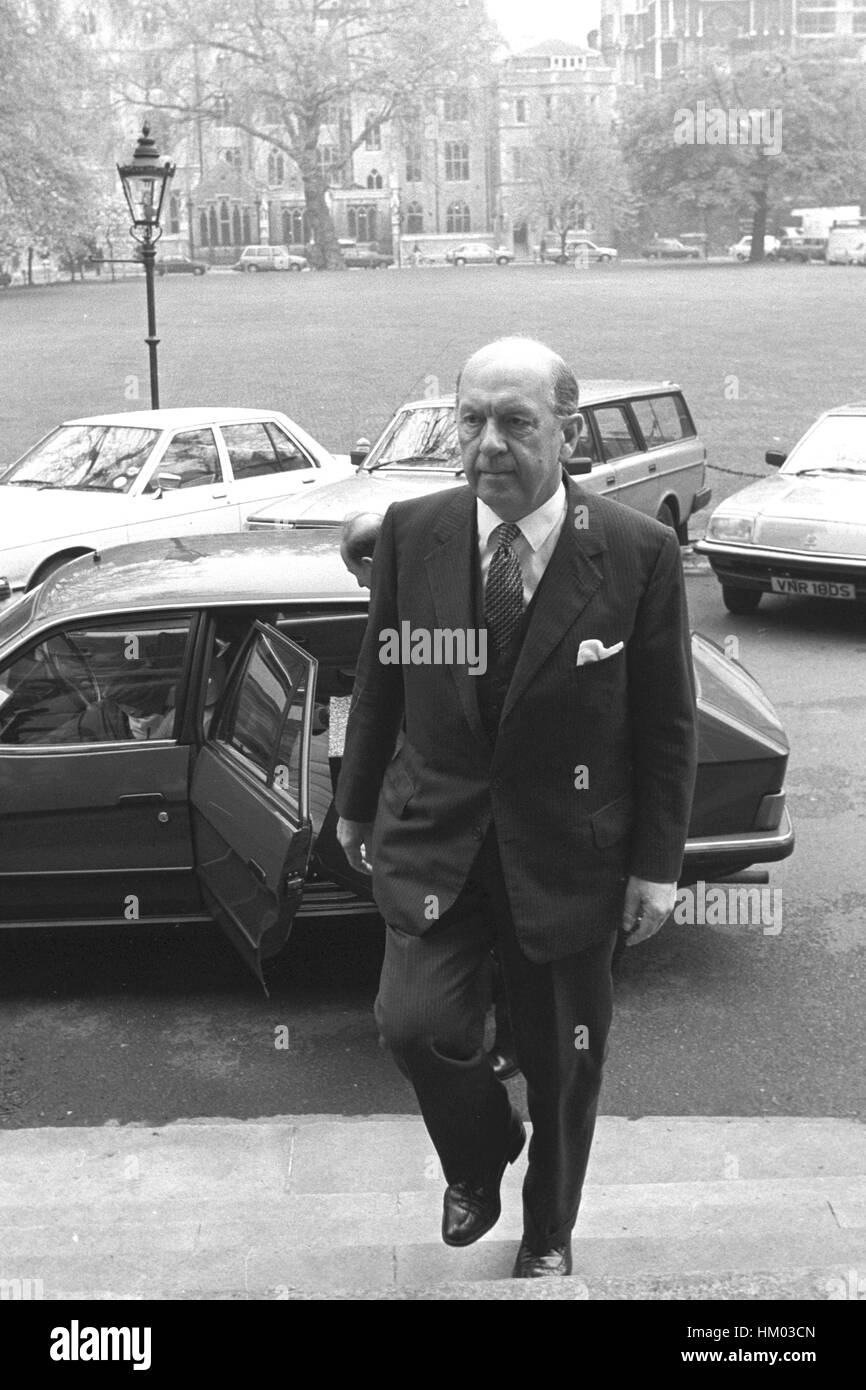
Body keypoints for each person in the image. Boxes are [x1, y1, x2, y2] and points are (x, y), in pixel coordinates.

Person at [336, 336, 697, 1278]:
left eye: (515, 423)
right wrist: (354, 804)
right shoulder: (413, 533)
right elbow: (382, 676)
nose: (487, 443)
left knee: (565, 1061)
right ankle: (482, 1149)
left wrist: (658, 867)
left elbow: (666, 726)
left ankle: (548, 1236)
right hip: (436, 836)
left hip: (570, 855)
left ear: (566, 432)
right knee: (414, 1025)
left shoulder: (637, 555)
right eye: (471, 420)